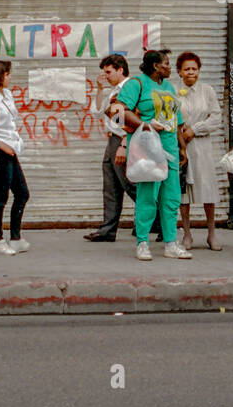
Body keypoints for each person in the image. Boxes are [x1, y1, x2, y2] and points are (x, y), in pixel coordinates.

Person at [118, 49, 190, 261]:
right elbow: (119, 111)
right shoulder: (136, 84)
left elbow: (175, 119)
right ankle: (142, 242)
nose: (170, 67)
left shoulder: (168, 87)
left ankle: (170, 243)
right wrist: (145, 125)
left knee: (171, 198)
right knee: (147, 196)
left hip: (169, 149)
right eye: (167, 63)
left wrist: (182, 147)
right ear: (156, 66)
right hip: (147, 148)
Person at [85, 54, 137, 242]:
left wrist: (124, 143)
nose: (106, 76)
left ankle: (154, 220)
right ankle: (107, 229)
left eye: (108, 72)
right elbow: (98, 111)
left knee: (130, 184)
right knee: (111, 186)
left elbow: (126, 121)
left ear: (120, 70)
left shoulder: (129, 89)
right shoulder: (114, 91)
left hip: (123, 139)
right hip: (112, 139)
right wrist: (99, 90)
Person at [175, 52, 223, 251]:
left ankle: (211, 234)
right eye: (186, 69)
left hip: (202, 146)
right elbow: (170, 115)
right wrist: (181, 133)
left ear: (199, 70)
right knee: (184, 192)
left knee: (207, 190)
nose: (191, 72)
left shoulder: (207, 91)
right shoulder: (174, 92)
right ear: (179, 72)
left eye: (194, 68)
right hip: (182, 146)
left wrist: (195, 129)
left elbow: (216, 118)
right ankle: (187, 234)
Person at [0, 60, 31, 256]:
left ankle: (16, 237)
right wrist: (1, 144)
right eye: (7, 74)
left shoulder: (8, 94)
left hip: (11, 149)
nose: (10, 77)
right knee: (1, 197)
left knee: (22, 193)